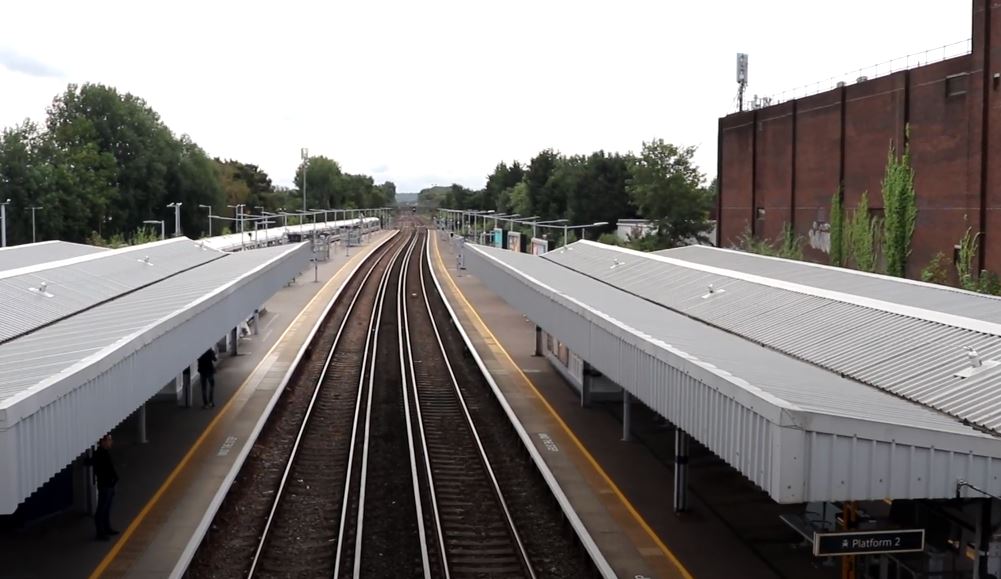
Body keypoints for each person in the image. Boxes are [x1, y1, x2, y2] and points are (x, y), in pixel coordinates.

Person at [90, 434, 118, 541]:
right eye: (109, 440)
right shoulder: (100, 455)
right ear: (103, 442)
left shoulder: (104, 453)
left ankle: (107, 528)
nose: (111, 442)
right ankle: (100, 532)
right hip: (105, 484)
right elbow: (106, 470)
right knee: (102, 508)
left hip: (109, 484)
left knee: (107, 507)